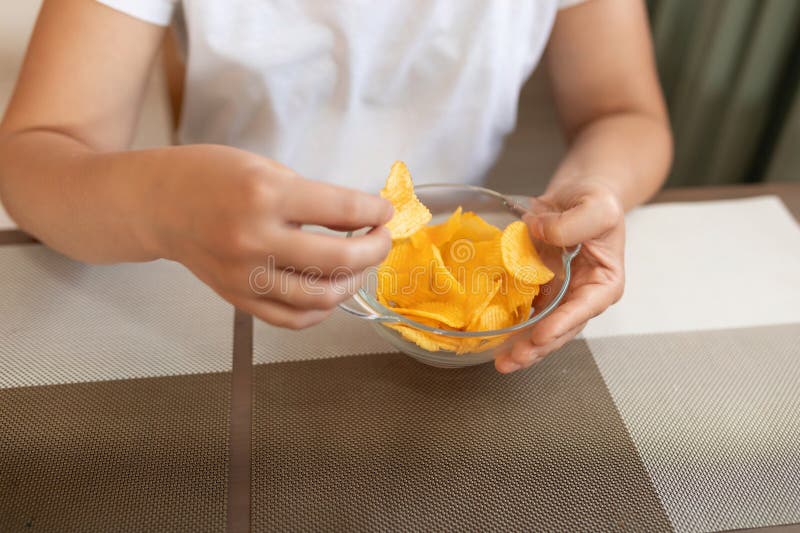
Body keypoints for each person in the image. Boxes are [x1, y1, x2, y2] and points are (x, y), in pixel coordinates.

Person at [0, 0, 672, 373]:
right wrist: (162, 207)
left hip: (443, 307)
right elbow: (32, 159)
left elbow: (626, 114)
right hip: (207, 299)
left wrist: (596, 187)